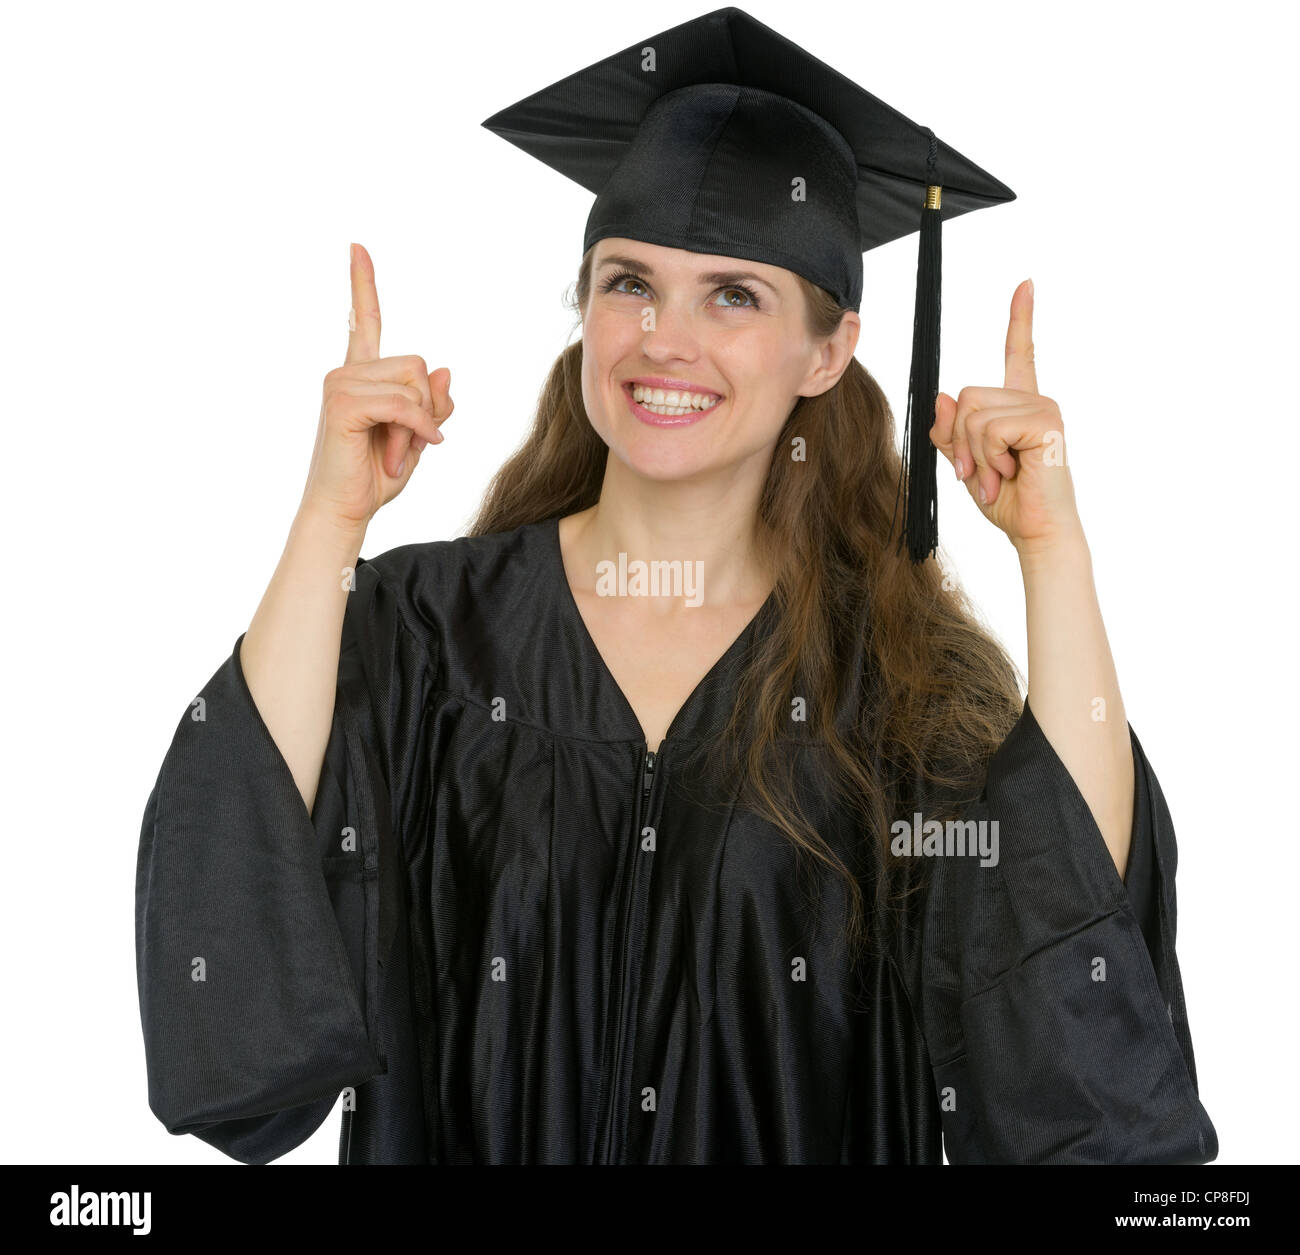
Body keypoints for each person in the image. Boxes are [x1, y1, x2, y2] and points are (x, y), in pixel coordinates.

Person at [134, 7, 1217, 1165]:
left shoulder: (888, 690)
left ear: (828, 350)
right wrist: (328, 520)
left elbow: (1067, 961)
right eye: (629, 283)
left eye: (733, 296)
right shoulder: (426, 634)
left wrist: (1052, 551)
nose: (663, 338)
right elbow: (244, 891)